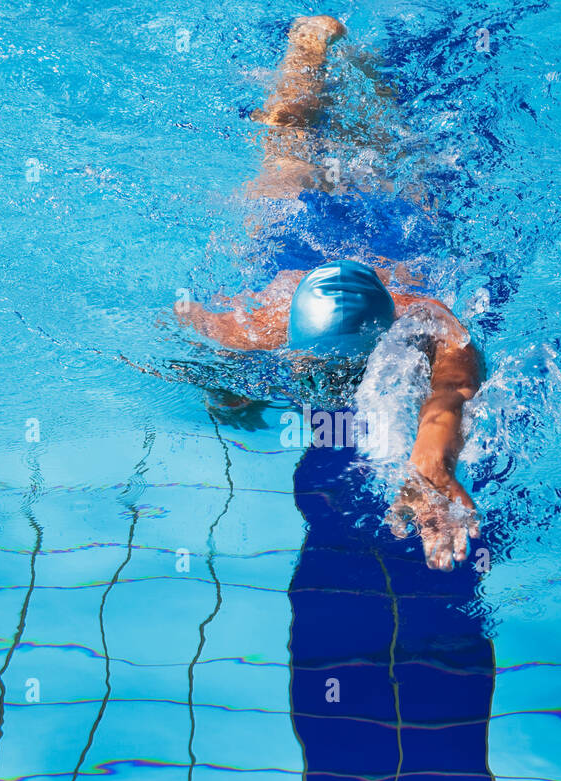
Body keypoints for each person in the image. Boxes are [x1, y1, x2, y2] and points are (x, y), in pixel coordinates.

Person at [176, 15, 482, 572]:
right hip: (293, 235)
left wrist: (433, 464)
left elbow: (454, 390)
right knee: (295, 145)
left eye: (353, 372)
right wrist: (219, 386)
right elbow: (187, 319)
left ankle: (342, 58)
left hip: (383, 230)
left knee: (341, 147)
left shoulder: (429, 320)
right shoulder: (253, 329)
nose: (339, 387)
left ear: (393, 336)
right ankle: (312, 44)